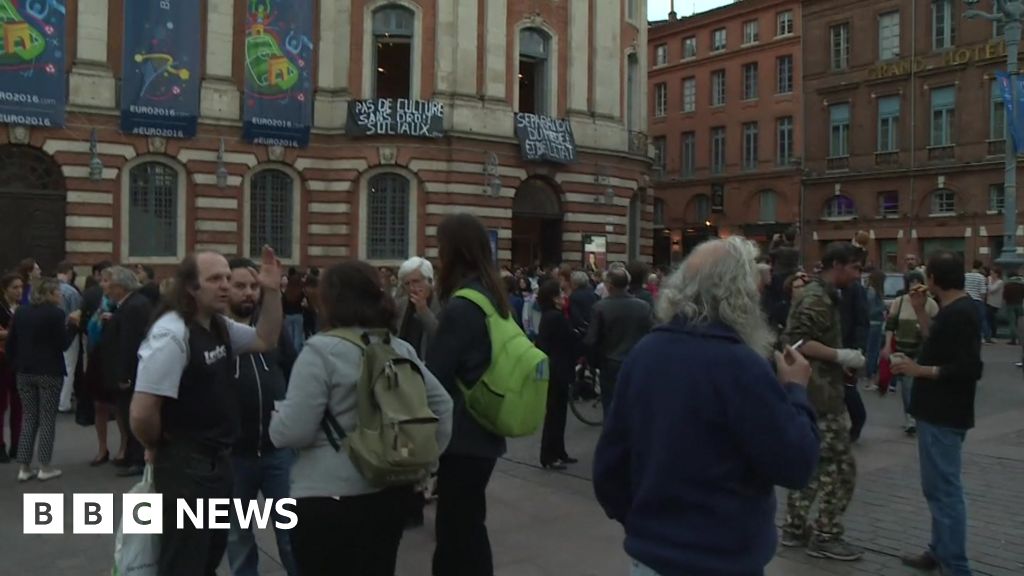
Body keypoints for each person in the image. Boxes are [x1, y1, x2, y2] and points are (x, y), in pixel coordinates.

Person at [594, 236, 821, 576]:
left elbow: (609, 470)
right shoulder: (741, 365)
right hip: (723, 559)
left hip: (651, 558)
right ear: (741, 294)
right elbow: (796, 464)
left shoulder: (645, 354)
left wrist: (646, 526)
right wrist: (796, 390)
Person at [271, 260, 453, 575]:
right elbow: (443, 405)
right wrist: (425, 464)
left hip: (327, 495)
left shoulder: (320, 350)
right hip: (387, 493)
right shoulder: (399, 347)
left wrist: (276, 418)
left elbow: (294, 432)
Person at [129, 247, 283, 576]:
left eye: (228, 277)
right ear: (190, 287)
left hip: (217, 462)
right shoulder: (172, 333)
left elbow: (265, 339)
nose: (225, 285)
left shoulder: (218, 325)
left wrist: (271, 291)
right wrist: (159, 446)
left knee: (208, 556)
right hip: (187, 468)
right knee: (184, 560)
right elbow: (142, 411)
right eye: (215, 279)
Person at [425, 213, 510, 576]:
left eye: (441, 249)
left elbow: (435, 375)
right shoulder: (492, 296)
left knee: (456, 531)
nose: (437, 257)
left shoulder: (462, 306)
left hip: (462, 435)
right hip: (485, 430)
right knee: (470, 525)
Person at [893, 251, 983, 576]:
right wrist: (920, 312)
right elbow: (939, 344)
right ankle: (938, 549)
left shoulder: (961, 313)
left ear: (932, 279)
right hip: (938, 412)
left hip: (944, 413)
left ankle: (956, 565)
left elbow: (969, 368)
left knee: (945, 491)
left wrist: (919, 370)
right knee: (936, 488)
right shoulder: (953, 310)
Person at [781, 242, 866, 561]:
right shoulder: (817, 297)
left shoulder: (822, 295)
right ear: (839, 265)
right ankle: (827, 534)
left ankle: (794, 526)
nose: (858, 275)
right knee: (842, 469)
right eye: (855, 268)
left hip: (817, 391)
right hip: (821, 395)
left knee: (815, 465)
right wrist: (839, 355)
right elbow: (797, 341)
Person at [224, 258, 298, 576]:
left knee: (292, 536)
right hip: (232, 456)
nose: (249, 293)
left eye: (254, 286)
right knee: (238, 538)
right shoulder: (213, 335)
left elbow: (295, 372)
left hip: (277, 452)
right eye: (240, 286)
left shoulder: (273, 330)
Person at [5, 278, 80, 481]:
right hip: (49, 371)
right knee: (47, 419)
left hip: (24, 371)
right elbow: (63, 344)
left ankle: (24, 466)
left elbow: (11, 342)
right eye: (57, 292)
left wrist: (15, 365)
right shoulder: (56, 314)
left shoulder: (21, 312)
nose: (60, 296)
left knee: (29, 418)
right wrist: (73, 326)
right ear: (48, 294)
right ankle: (45, 466)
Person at [101, 266, 154, 478]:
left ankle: (137, 459)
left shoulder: (133, 306)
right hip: (130, 372)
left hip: (131, 374)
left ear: (121, 287)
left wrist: (124, 375)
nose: (107, 290)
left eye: (110, 285)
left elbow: (129, 344)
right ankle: (133, 456)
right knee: (126, 415)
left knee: (131, 416)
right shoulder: (131, 304)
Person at [584, 267, 653, 416]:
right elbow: (651, 334)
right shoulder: (643, 307)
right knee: (634, 405)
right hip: (636, 361)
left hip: (610, 362)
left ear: (609, 286)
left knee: (610, 405)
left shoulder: (600, 307)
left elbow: (591, 340)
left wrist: (594, 363)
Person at [883, 271, 939, 435]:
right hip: (903, 350)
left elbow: (935, 329)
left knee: (921, 384)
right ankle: (910, 417)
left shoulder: (930, 304)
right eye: (911, 283)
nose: (914, 286)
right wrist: (887, 346)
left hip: (922, 351)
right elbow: (890, 326)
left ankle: (921, 414)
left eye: (917, 282)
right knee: (907, 386)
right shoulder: (899, 302)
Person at [535, 279, 577, 470]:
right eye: (560, 294)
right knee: (555, 414)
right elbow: (568, 341)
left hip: (554, 367)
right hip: (558, 369)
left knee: (558, 413)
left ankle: (559, 451)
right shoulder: (556, 317)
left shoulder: (549, 315)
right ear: (553, 298)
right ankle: (550, 455)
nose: (563, 297)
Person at [83, 290, 127, 467]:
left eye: (108, 281)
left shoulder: (124, 306)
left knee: (117, 406)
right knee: (99, 405)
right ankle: (102, 448)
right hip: (98, 356)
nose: (104, 285)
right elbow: (87, 328)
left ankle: (124, 447)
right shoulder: (97, 304)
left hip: (115, 358)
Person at [396, 256, 442, 360]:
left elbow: (441, 337)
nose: (412, 288)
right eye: (407, 284)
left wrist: (423, 311)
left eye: (416, 281)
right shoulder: (400, 305)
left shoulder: (443, 303)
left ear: (430, 281)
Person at [0, 273, 24, 462]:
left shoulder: (24, 309)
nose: (19, 291)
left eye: (20, 287)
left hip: (18, 361)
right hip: (1, 360)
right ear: (5, 290)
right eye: (14, 287)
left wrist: (8, 333)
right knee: (1, 405)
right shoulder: (2, 308)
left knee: (18, 405)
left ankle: (17, 445)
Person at [54, 261, 83, 413]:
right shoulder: (71, 292)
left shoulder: (48, 289)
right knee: (68, 367)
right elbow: (77, 316)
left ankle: (52, 399)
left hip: (50, 334)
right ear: (70, 272)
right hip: (69, 334)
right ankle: (63, 402)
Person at [863, 270, 888, 392]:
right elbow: (871, 311)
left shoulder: (871, 291)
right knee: (872, 353)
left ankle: (870, 378)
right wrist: (883, 308)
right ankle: (870, 380)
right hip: (874, 325)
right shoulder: (872, 292)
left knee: (873, 352)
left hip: (875, 325)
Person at [963, 261, 989, 342]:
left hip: (966, 299)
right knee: (981, 319)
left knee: (967, 319)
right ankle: (983, 336)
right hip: (977, 300)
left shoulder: (966, 275)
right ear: (980, 267)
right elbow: (982, 292)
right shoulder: (981, 277)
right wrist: (983, 301)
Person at [567, 270, 598, 336]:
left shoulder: (574, 296)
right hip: (593, 326)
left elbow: (575, 316)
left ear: (575, 283)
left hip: (582, 330)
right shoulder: (593, 293)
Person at [986, 268, 1004, 344]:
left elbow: (992, 289)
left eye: (992, 273)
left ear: (996, 274)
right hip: (989, 302)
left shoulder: (1000, 282)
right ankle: (989, 335)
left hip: (995, 303)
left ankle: (993, 335)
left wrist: (989, 282)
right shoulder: (991, 279)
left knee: (993, 319)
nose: (991, 275)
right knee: (988, 318)